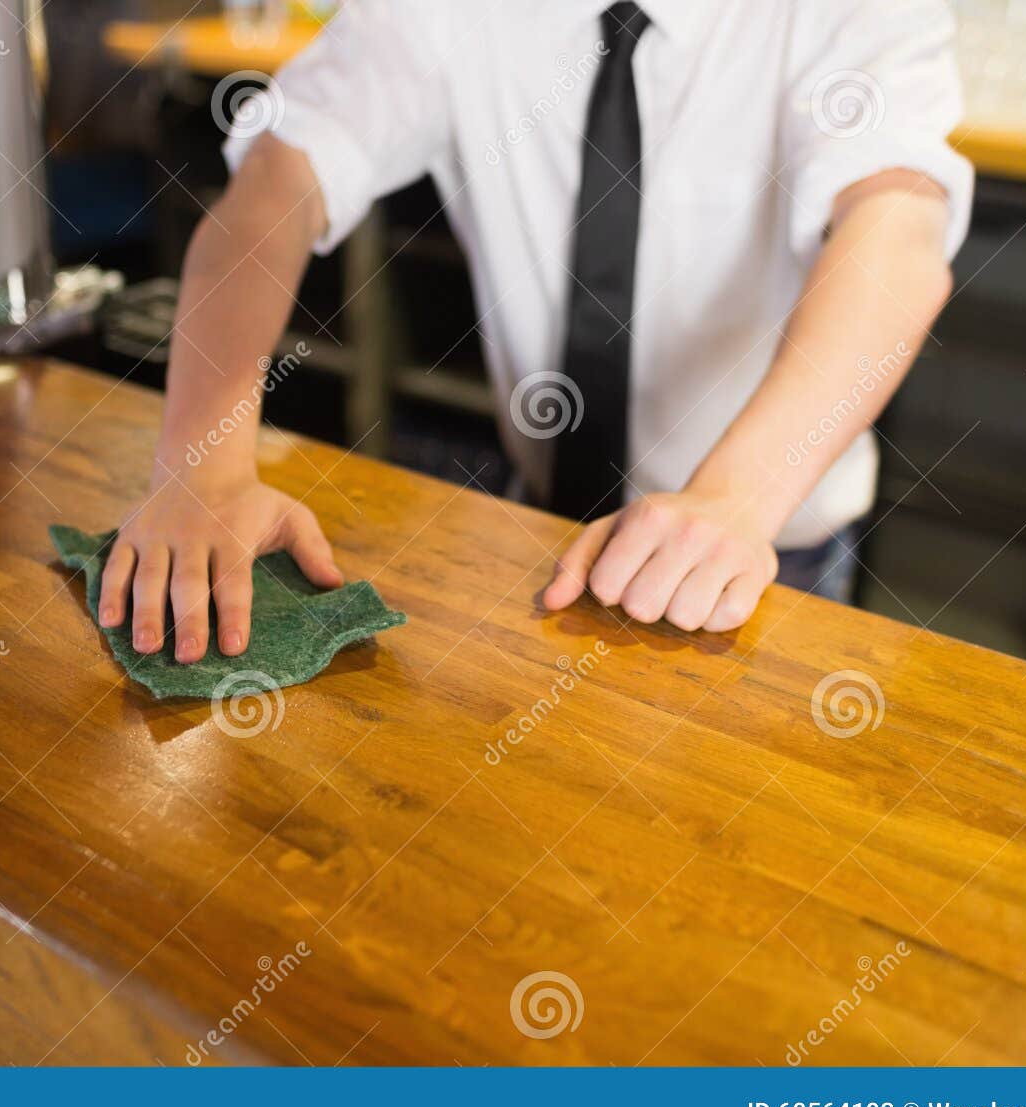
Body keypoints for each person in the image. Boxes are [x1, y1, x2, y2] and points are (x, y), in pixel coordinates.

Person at [97, 0, 972, 664]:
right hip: (540, 535)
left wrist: (734, 498)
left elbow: (895, 235)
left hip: (766, 548)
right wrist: (202, 462)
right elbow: (273, 189)